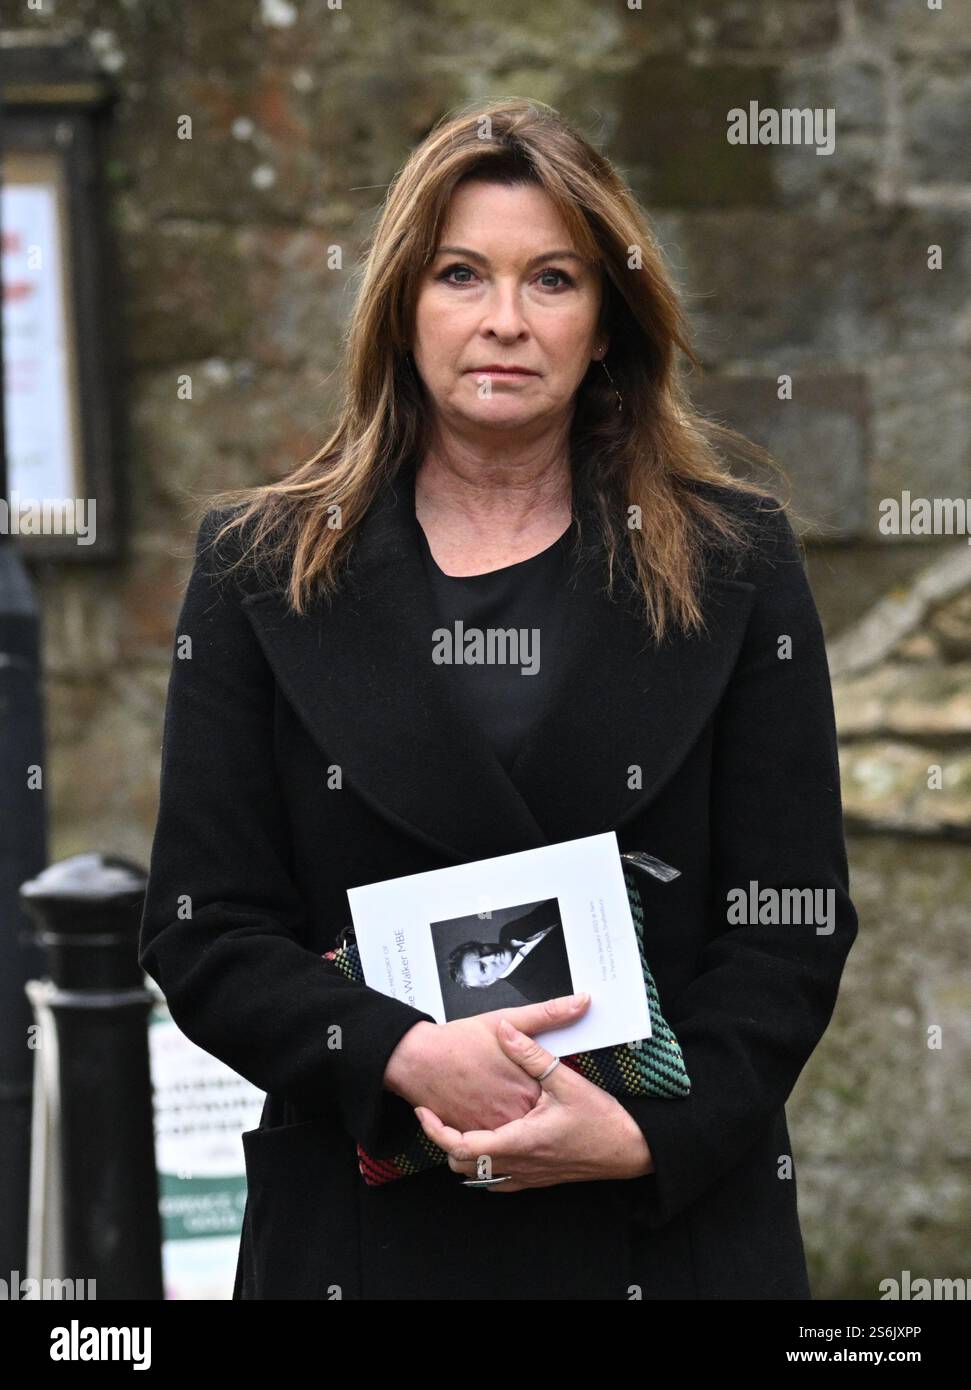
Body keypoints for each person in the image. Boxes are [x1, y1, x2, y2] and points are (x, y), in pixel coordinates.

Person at [138, 97, 858, 1300]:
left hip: (664, 1239)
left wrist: (641, 1138)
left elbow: (788, 922)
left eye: (554, 279)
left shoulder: (735, 559)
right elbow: (204, 927)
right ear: (401, 306)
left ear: (607, 319)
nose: (504, 322)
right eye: (461, 274)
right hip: (367, 1243)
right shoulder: (259, 565)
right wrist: (404, 1055)